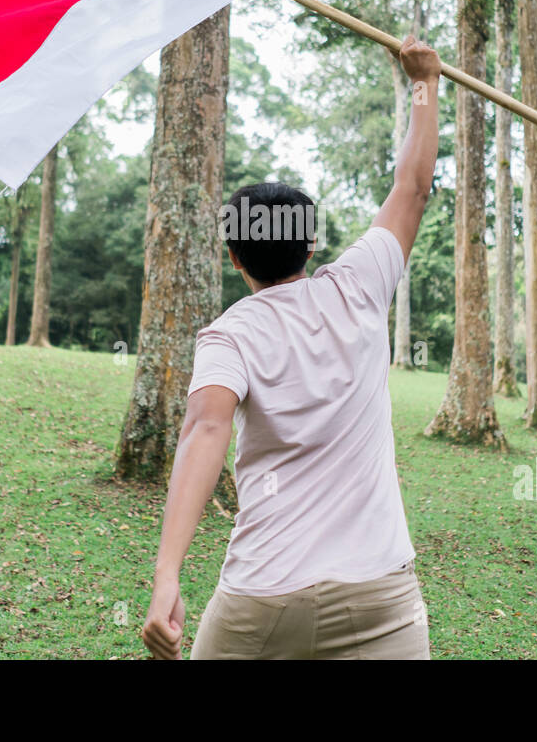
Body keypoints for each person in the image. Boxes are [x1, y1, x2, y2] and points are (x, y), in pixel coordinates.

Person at [140, 34, 442, 660]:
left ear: (233, 256)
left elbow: (204, 431)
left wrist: (168, 575)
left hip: (262, 598)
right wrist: (424, 83)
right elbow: (411, 187)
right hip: (380, 595)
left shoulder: (229, 334)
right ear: (309, 247)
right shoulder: (359, 285)